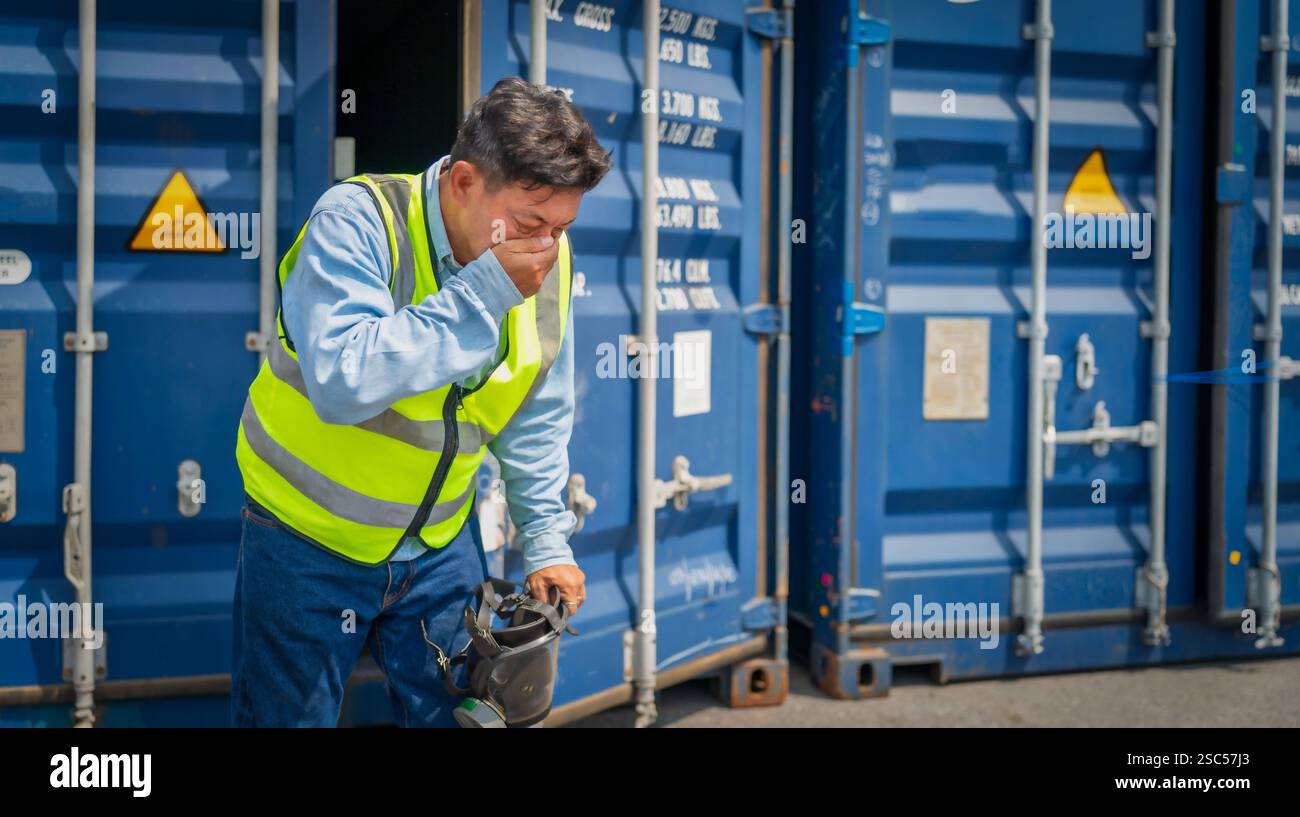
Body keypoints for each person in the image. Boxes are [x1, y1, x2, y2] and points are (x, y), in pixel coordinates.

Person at [230, 77, 612, 727]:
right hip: (305, 539)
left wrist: (548, 540)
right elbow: (342, 379)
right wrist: (484, 294)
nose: (545, 249)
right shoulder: (357, 222)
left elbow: (534, 411)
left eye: (561, 227)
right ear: (463, 182)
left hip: (438, 545)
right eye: (529, 223)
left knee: (460, 718)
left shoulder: (549, 257)